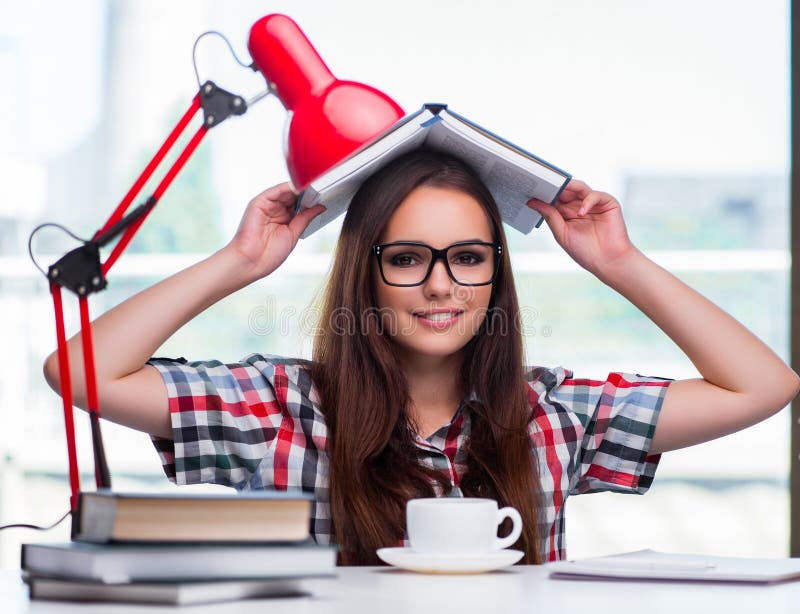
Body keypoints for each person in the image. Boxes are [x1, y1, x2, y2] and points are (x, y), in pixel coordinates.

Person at [44, 149, 800, 565]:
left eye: (468, 257)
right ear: (365, 275)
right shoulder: (275, 407)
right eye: (407, 257)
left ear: (496, 274)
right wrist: (240, 261)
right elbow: (77, 372)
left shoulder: (556, 415)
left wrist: (619, 263)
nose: (441, 284)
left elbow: (765, 385)